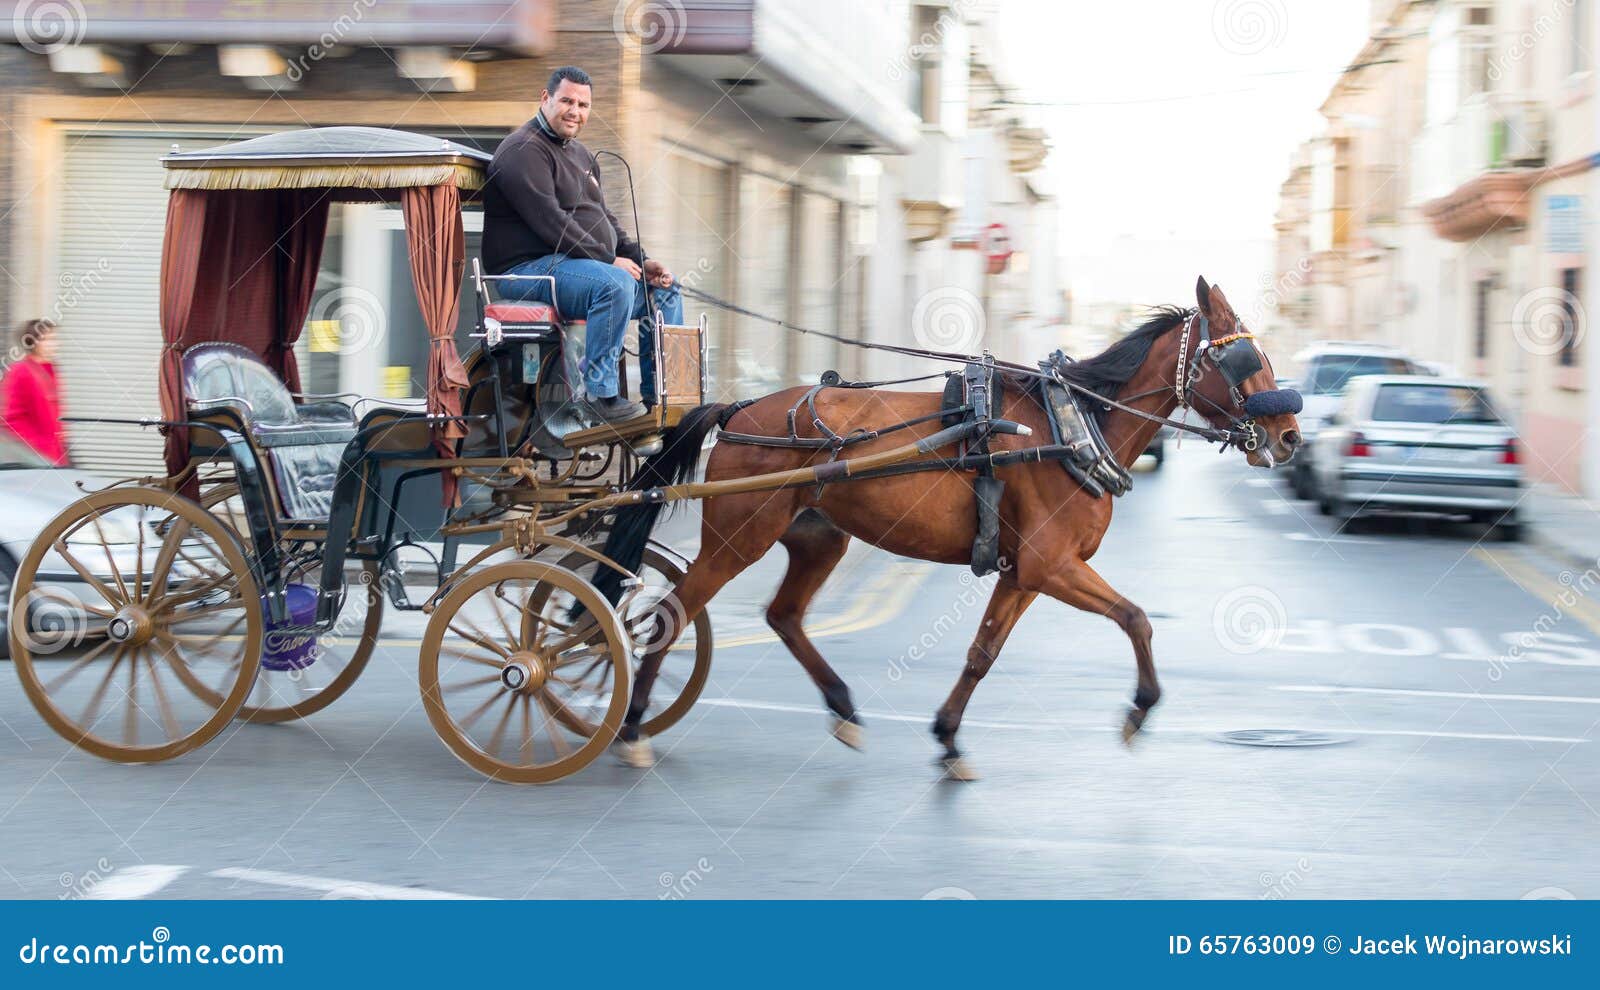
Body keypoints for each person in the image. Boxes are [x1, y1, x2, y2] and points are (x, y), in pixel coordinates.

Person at [481, 65, 683, 423]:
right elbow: (552, 223)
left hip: (575, 269)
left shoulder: (582, 155)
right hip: (527, 273)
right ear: (546, 99)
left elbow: (605, 220)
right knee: (615, 283)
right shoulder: (522, 150)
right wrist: (610, 260)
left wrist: (642, 260)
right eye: (567, 101)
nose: (575, 111)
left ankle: (663, 401)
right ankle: (599, 396)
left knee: (665, 292)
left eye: (584, 105)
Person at [1, 318, 67, 465]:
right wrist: (36, 448)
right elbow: (9, 419)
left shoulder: (52, 369)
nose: (55, 344)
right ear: (33, 342)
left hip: (56, 457)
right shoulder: (20, 371)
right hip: (35, 460)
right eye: (48, 339)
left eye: (55, 339)